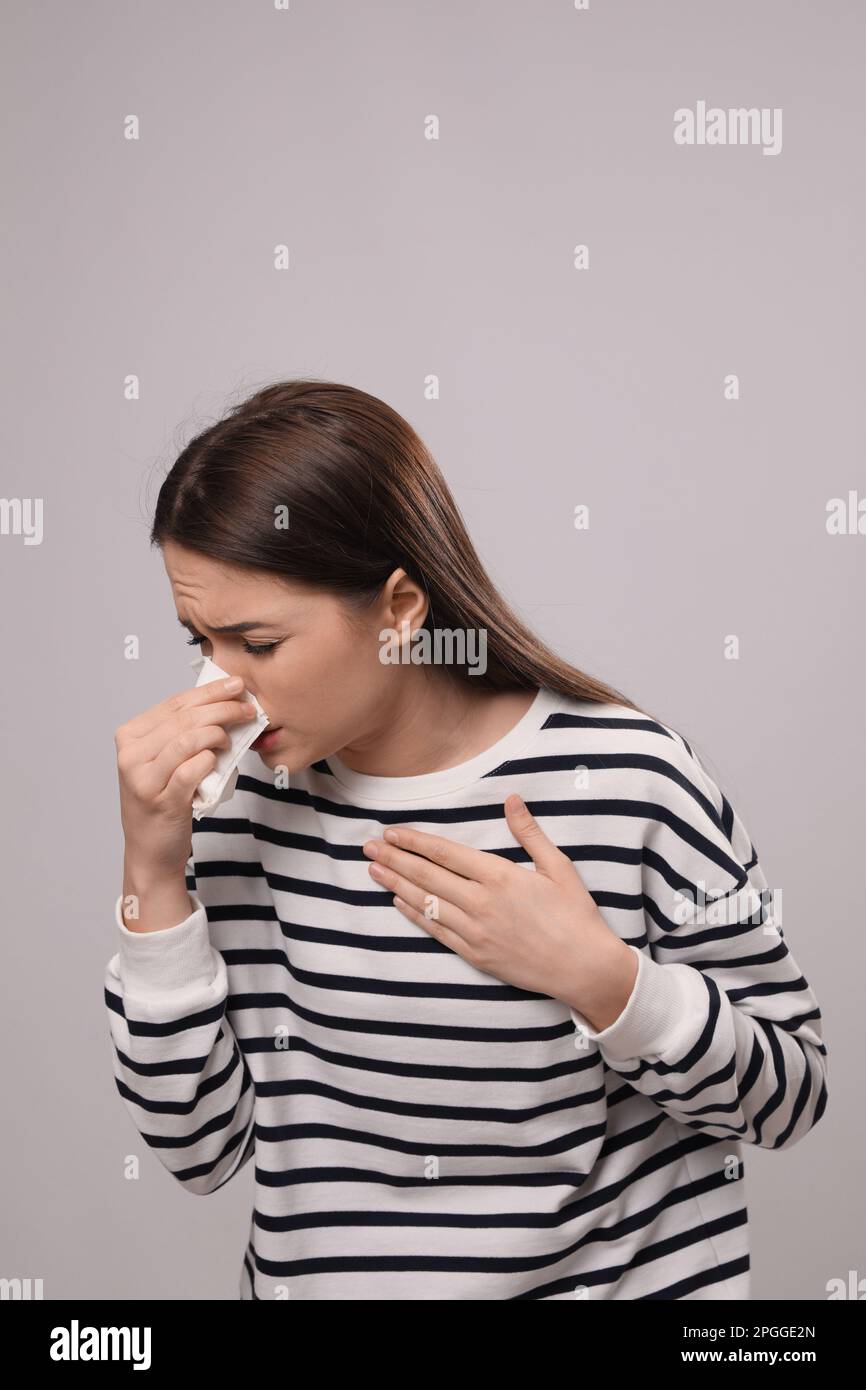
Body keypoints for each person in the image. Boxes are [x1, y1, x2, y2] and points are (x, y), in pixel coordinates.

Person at [105, 379, 828, 1300]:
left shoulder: (626, 777)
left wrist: (607, 984)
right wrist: (153, 870)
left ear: (401, 608)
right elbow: (197, 1148)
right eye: (198, 641)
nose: (222, 689)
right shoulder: (243, 808)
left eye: (259, 643)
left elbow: (790, 1098)